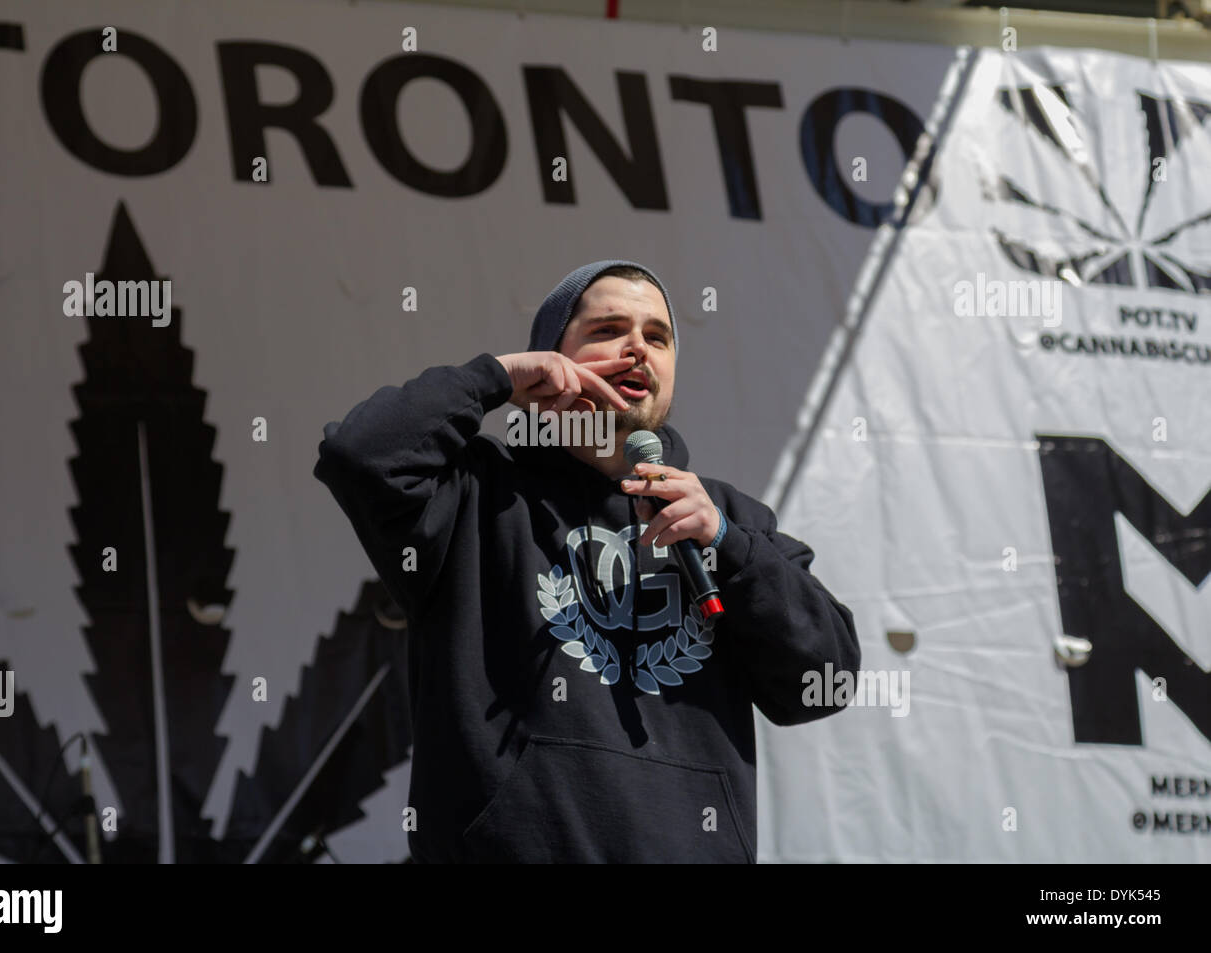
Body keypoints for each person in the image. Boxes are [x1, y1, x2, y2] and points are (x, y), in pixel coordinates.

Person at [314, 259, 860, 863]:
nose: (637, 350)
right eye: (607, 330)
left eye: (658, 337)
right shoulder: (473, 495)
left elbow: (822, 685)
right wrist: (495, 378)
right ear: (551, 359)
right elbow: (357, 454)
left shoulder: (730, 519)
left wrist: (731, 546)